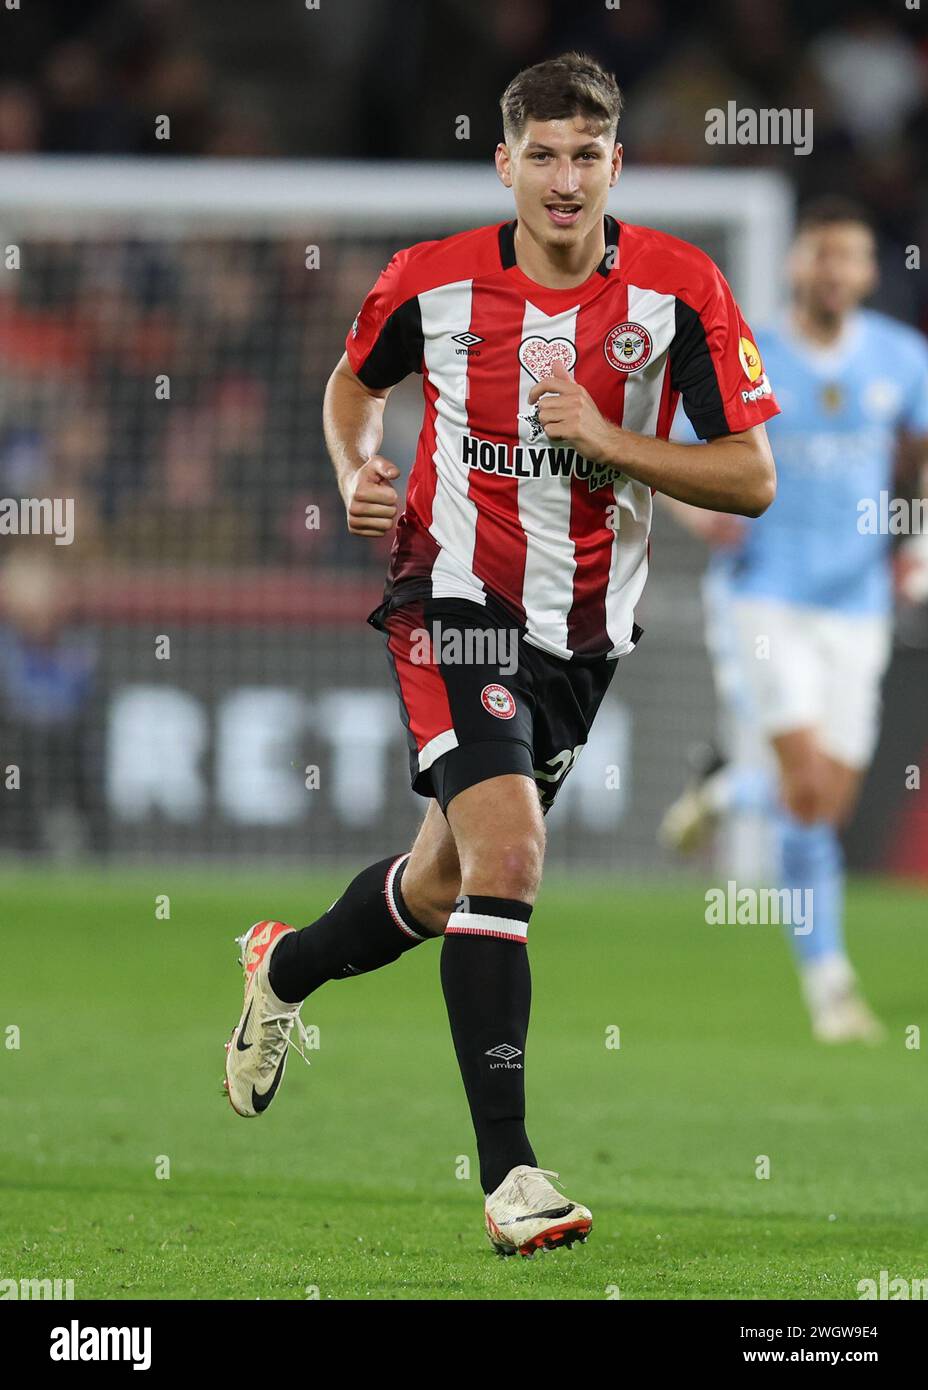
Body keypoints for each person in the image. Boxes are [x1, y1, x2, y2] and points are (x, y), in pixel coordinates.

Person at [223, 51, 778, 1256]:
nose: (565, 179)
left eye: (588, 155)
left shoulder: (680, 293)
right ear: (505, 163)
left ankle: (287, 966)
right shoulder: (428, 283)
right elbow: (349, 386)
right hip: (452, 596)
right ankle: (511, 1175)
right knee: (512, 860)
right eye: (543, 154)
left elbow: (750, 478)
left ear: (616, 163)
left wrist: (612, 446)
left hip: (586, 634)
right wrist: (353, 474)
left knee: (441, 887)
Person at [661, 198, 928, 1043]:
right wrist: (695, 508)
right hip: (763, 594)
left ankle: (725, 789)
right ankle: (830, 988)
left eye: (848, 259)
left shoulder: (903, 358)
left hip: (858, 605)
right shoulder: (750, 354)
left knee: (825, 802)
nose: (833, 272)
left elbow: (919, 461)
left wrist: (914, 540)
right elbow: (662, 445)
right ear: (794, 265)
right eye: (819, 256)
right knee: (809, 795)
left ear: (867, 273)